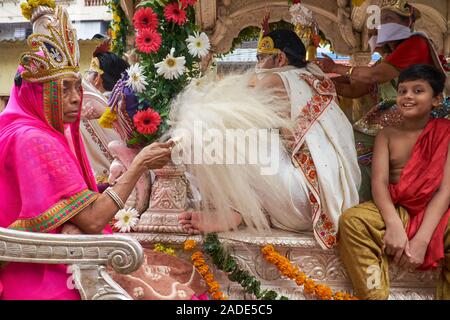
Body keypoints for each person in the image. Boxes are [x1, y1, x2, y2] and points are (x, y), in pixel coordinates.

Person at [0, 4, 173, 300]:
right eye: (63, 89)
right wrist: (139, 165)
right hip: (47, 272)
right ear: (35, 92)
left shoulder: (24, 129)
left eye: (77, 88)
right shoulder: (34, 139)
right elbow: (92, 220)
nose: (74, 99)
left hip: (60, 258)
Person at [175, 20, 361, 250]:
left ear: (280, 59)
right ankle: (239, 210)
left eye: (262, 57)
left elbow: (239, 126)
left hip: (300, 199)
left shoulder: (277, 79)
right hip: (326, 204)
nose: (258, 64)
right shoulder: (316, 80)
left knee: (209, 125)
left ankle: (234, 212)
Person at [338, 64, 450, 300]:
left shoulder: (446, 132)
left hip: (438, 214)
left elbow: (445, 191)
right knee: (352, 221)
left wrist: (422, 240)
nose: (408, 96)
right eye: (402, 91)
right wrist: (393, 225)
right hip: (397, 209)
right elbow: (379, 183)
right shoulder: (386, 134)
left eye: (418, 91)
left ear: (437, 99)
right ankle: (374, 292)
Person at [316, 0, 447, 200]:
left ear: (408, 22)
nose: (380, 27)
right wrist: (320, 84)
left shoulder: (416, 43)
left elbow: (372, 76)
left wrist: (335, 68)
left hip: (418, 114)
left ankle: (362, 199)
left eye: (388, 19)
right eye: (378, 23)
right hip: (397, 112)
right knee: (347, 136)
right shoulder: (388, 58)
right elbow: (356, 89)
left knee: (356, 141)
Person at [80, 40, 129, 186]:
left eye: (89, 73)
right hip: (128, 181)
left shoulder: (91, 104)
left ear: (97, 79)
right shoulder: (125, 106)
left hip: (100, 186)